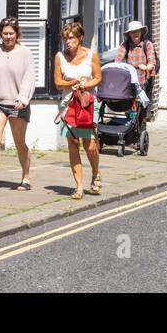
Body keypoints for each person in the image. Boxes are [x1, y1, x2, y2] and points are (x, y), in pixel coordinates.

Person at [0, 18, 36, 194]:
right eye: (5, 34)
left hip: (18, 104)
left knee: (19, 142)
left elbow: (29, 78)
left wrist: (23, 98)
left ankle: (25, 177)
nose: (8, 37)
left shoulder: (25, 53)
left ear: (17, 34)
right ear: (0, 34)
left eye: (11, 33)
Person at [55, 20, 102, 200]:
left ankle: (96, 172)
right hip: (68, 104)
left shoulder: (91, 55)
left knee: (89, 145)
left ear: (80, 37)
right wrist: (73, 82)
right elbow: (58, 83)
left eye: (72, 38)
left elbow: (98, 78)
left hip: (87, 103)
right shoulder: (60, 56)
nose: (68, 41)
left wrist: (86, 84)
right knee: (73, 145)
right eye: (65, 38)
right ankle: (79, 186)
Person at [116, 20, 158, 108]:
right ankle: (131, 119)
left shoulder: (147, 44)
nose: (136, 33)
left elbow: (152, 62)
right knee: (130, 107)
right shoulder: (125, 45)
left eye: (138, 31)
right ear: (129, 34)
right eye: (133, 32)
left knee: (142, 109)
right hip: (130, 81)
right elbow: (117, 61)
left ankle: (142, 120)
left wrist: (146, 67)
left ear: (141, 32)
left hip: (144, 81)